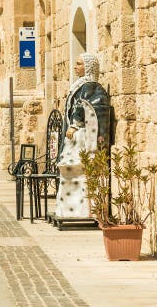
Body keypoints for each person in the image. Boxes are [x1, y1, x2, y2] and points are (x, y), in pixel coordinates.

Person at [55, 53, 111, 219]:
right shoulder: (81, 85)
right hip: (76, 139)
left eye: (79, 64)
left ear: (89, 67)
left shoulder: (90, 86)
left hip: (82, 139)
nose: (75, 67)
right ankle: (71, 209)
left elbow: (84, 106)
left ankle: (81, 210)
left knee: (79, 172)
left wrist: (75, 125)